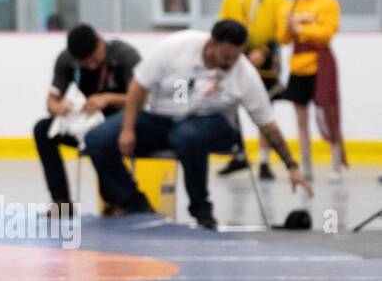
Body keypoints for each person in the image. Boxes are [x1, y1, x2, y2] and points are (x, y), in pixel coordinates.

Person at [84, 20, 311, 229]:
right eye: (226, 57)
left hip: (214, 124)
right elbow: (138, 86)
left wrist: (291, 166)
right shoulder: (176, 47)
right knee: (97, 139)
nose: (231, 63)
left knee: (187, 135)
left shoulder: (244, 74)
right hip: (161, 118)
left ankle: (202, 211)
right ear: (211, 44)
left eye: (236, 57)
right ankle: (135, 204)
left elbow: (267, 124)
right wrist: (127, 129)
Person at [33, 24, 139, 211]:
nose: (91, 65)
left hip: (117, 124)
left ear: (100, 41)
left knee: (100, 137)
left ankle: (112, 200)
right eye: (84, 63)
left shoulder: (124, 55)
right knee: (42, 129)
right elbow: (51, 102)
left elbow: (140, 98)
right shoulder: (67, 60)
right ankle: (61, 201)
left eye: (94, 59)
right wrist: (59, 107)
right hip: (82, 122)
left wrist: (108, 99)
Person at [216, 0, 285, 179]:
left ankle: (264, 160)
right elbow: (222, 24)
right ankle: (238, 154)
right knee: (229, 103)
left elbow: (281, 29)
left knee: (264, 107)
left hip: (264, 57)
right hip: (235, 55)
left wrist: (264, 51)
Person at [278, 0, 345, 181]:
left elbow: (326, 33)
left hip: (320, 66)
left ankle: (336, 165)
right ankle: (306, 166)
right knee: (301, 119)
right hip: (298, 68)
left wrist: (302, 30)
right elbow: (282, 38)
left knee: (328, 115)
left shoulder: (327, 3)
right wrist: (289, 28)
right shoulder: (289, 6)